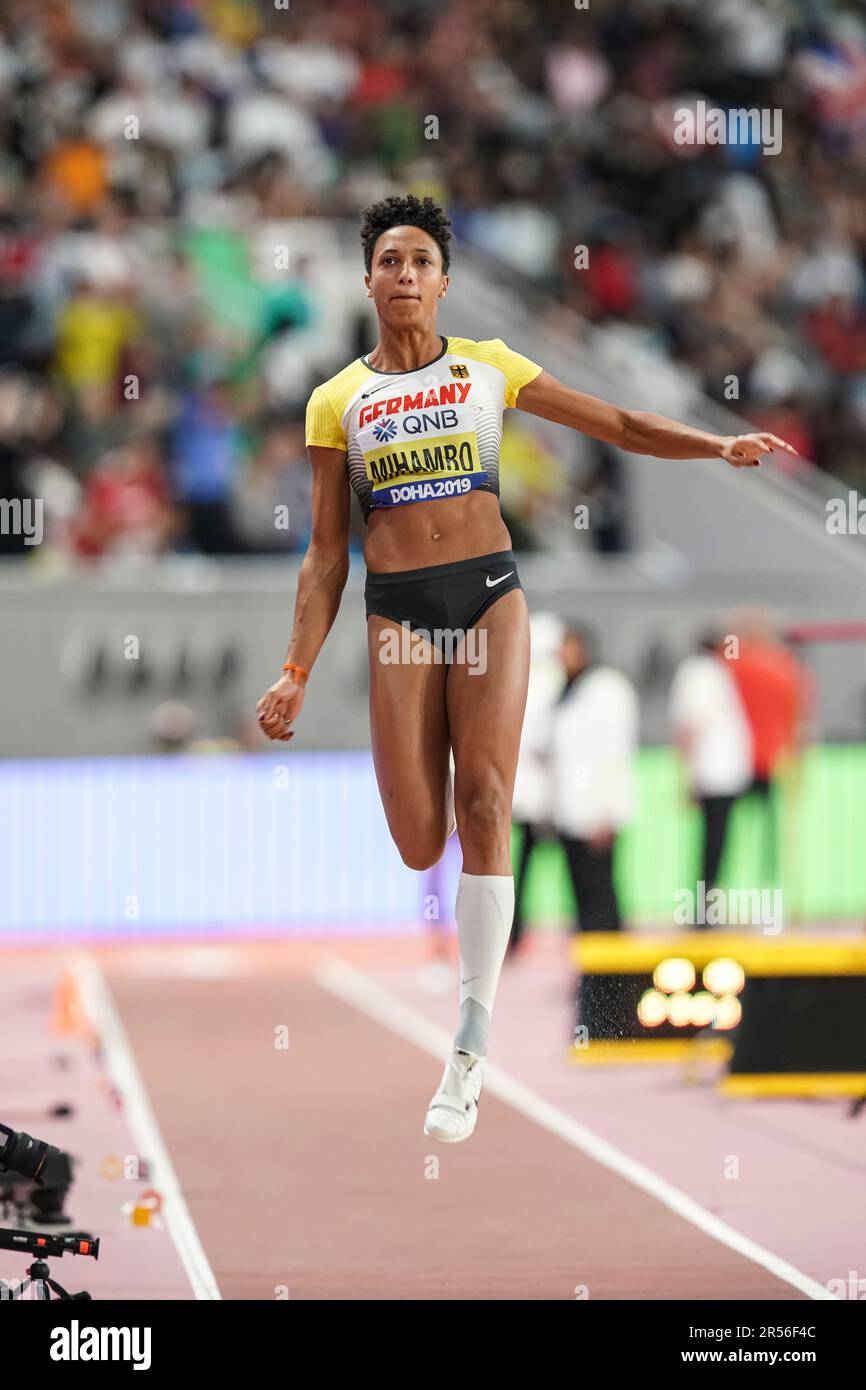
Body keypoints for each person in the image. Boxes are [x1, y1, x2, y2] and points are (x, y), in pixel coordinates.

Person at [255, 193, 797, 1144]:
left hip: (489, 593)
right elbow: (325, 552)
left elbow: (620, 424)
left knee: (488, 803)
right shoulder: (336, 401)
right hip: (401, 614)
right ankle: (467, 998)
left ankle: (469, 1046)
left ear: (445, 280)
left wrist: (715, 442)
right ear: (370, 279)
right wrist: (297, 666)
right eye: (390, 260)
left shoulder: (489, 370)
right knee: (421, 840)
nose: (407, 275)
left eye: (422, 259)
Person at [549, 626, 639, 932]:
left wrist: (609, 812)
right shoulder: (568, 691)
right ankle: (591, 973)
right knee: (583, 898)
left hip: (596, 815)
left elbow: (615, 751)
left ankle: (611, 974)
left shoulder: (606, 688)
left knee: (601, 895)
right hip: (573, 814)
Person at [669, 633, 753, 901]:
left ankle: (705, 907)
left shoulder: (699, 673)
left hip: (714, 770)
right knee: (716, 840)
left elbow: (691, 726)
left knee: (712, 841)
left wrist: (688, 775)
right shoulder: (713, 672)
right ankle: (707, 904)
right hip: (725, 770)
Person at [508, 611, 565, 956]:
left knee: (518, 868)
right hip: (545, 793)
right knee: (560, 867)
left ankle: (514, 933)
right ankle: (521, 932)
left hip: (524, 790)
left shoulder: (520, 673)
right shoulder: (551, 680)